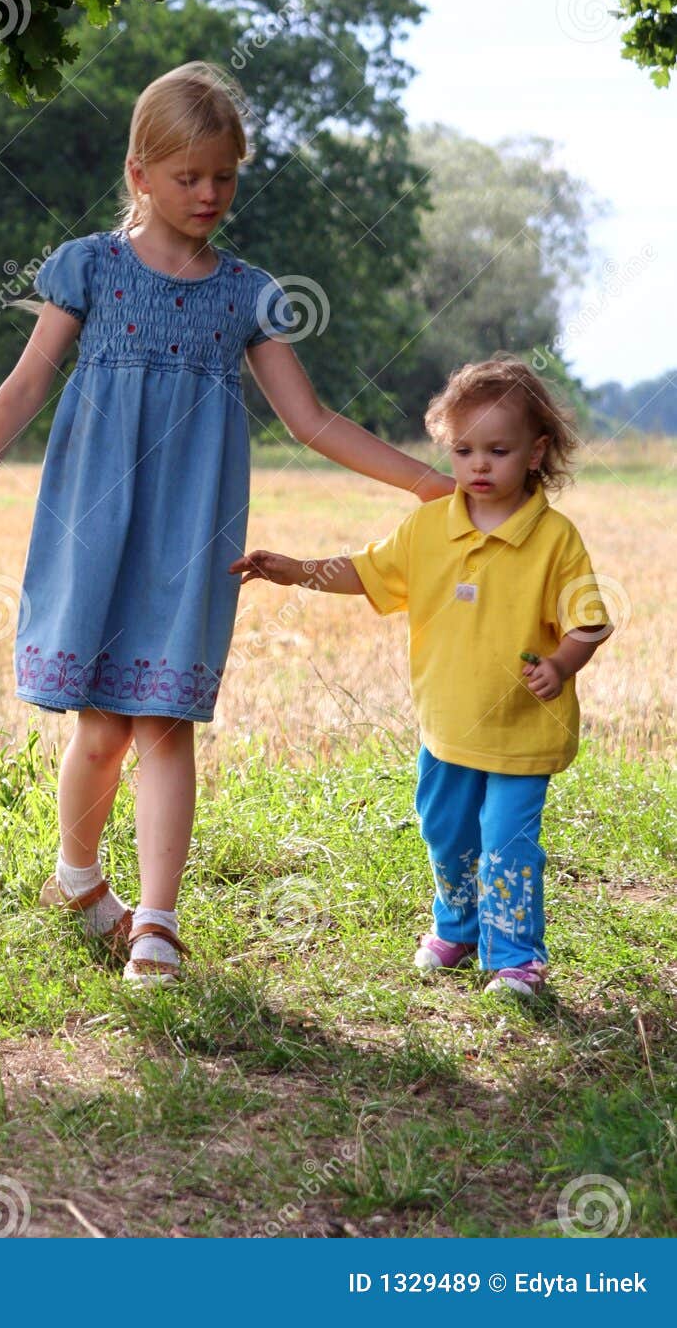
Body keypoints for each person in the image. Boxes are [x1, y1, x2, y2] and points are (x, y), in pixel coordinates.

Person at [0, 61, 452, 987]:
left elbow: (309, 420)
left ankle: (156, 923)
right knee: (100, 733)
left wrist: (427, 483)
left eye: (224, 177)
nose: (208, 195)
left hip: (191, 536)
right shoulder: (88, 268)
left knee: (166, 723)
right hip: (93, 525)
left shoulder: (246, 294)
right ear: (139, 173)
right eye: (187, 177)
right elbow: (25, 384)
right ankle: (77, 880)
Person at [230, 357, 614, 997]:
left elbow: (590, 620)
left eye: (498, 451)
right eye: (463, 451)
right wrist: (297, 570)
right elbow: (366, 572)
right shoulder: (430, 527)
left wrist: (560, 664)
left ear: (536, 452)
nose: (479, 465)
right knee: (446, 832)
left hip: (522, 734)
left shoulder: (554, 539)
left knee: (507, 844)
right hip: (447, 727)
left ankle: (516, 956)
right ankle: (457, 929)